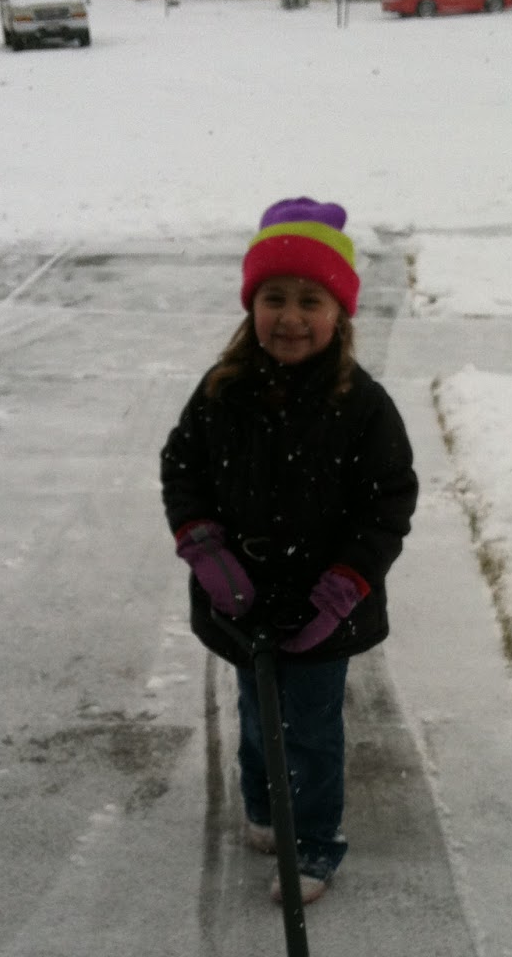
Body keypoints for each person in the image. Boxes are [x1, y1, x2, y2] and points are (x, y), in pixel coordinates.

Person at [160, 197, 418, 904]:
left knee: (307, 726)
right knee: (255, 708)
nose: (291, 316)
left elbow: (386, 502)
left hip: (319, 603)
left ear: (339, 313)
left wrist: (342, 585)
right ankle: (266, 808)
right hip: (237, 593)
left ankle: (311, 844)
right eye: (274, 298)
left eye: (311, 299)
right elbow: (182, 468)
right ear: (251, 307)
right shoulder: (221, 391)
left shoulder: (362, 405)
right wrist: (204, 547)